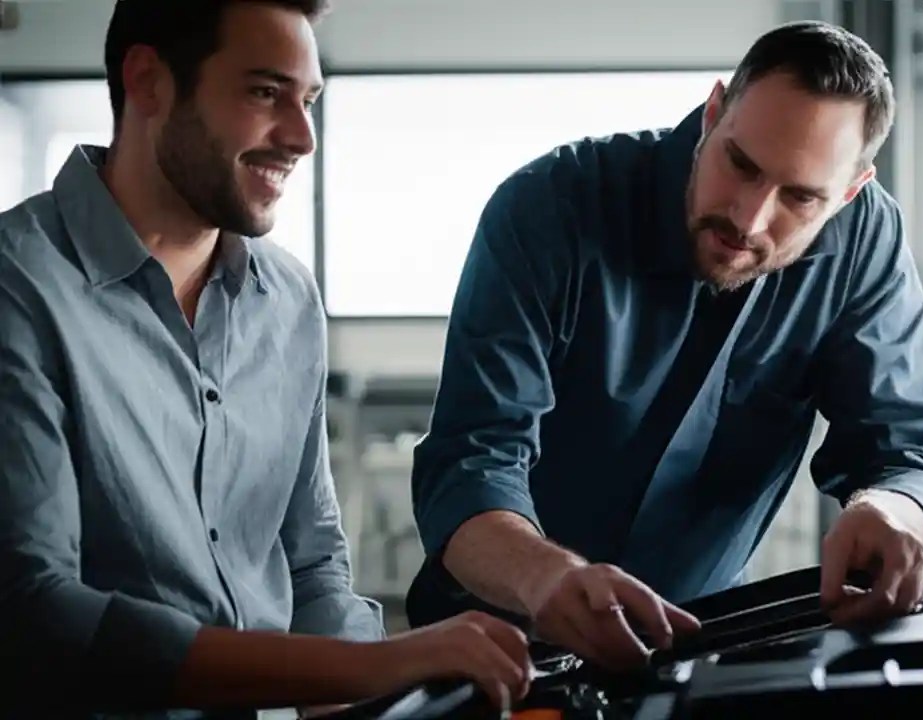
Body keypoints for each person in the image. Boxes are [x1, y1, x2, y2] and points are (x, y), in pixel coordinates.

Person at [0, 0, 531, 716]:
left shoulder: (286, 300)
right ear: (149, 81)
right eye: (264, 92)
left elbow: (311, 565)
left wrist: (376, 697)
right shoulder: (18, 284)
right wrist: (368, 664)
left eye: (308, 100)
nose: (302, 136)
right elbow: (38, 612)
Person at [406, 20, 923, 671]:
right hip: (495, 638)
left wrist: (891, 513)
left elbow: (898, 445)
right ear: (715, 111)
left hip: (696, 645)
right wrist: (546, 580)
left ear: (849, 193)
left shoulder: (865, 241)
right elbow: (471, 462)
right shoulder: (549, 208)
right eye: (740, 164)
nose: (748, 219)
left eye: (800, 198)